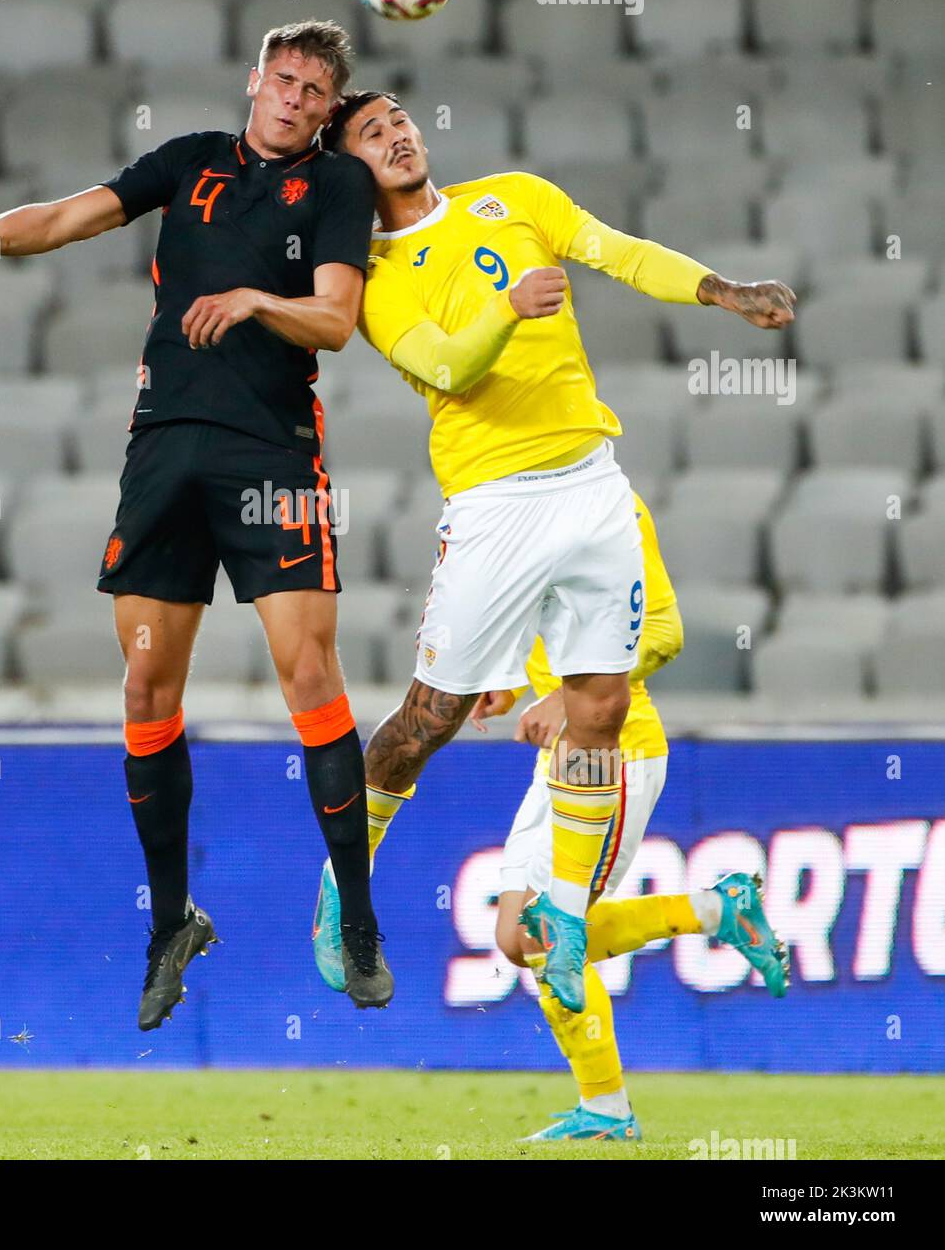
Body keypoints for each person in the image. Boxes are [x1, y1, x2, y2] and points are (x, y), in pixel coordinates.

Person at [0, 23, 393, 1028]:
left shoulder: (337, 189)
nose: (295, 100)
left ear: (327, 110)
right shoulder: (191, 162)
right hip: (166, 448)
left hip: (271, 455)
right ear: (256, 80)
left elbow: (338, 321)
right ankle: (171, 921)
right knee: (144, 683)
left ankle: (359, 920)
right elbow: (69, 216)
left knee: (309, 672)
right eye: (285, 80)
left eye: (315, 92)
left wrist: (257, 298)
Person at [313, 90, 795, 1014]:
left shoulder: (517, 196)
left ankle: (568, 914)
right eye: (373, 133)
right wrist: (509, 307)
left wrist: (723, 292)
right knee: (430, 717)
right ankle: (344, 885)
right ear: (348, 167)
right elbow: (446, 365)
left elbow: (623, 253)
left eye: (402, 118)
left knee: (598, 707)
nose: (400, 134)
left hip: (590, 481)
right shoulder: (370, 274)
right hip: (495, 503)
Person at [317, 487, 789, 1141]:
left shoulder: (611, 505)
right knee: (519, 937)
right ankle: (715, 909)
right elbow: (544, 619)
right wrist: (511, 681)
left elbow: (663, 631)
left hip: (615, 757)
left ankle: (609, 1112)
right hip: (560, 766)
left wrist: (567, 703)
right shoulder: (527, 500)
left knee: (539, 935)